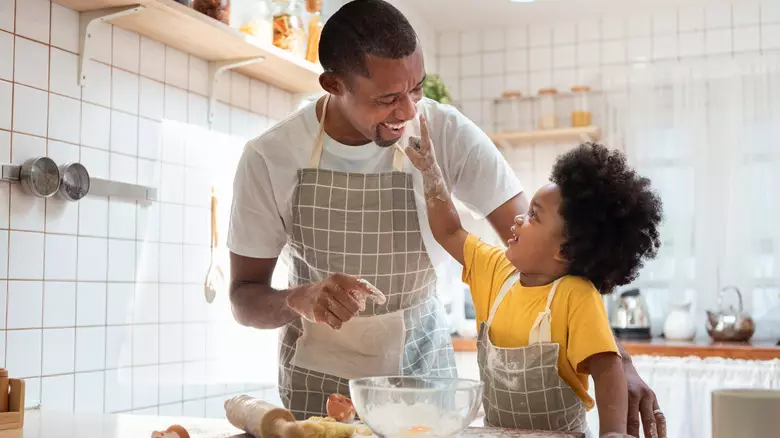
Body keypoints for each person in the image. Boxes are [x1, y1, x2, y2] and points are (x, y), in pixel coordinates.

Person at [226, 1, 667, 436]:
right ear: (333, 83)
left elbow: (557, 257)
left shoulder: (447, 134)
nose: (408, 112)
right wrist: (297, 298)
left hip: (424, 387)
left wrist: (617, 360)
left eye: (415, 90)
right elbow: (243, 298)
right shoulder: (270, 157)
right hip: (316, 392)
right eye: (387, 99)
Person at [405, 121, 662, 436]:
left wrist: (613, 432)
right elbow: (449, 231)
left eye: (533, 216)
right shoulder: (495, 269)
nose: (518, 219)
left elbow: (606, 367)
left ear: (564, 251)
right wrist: (431, 172)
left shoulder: (575, 295)